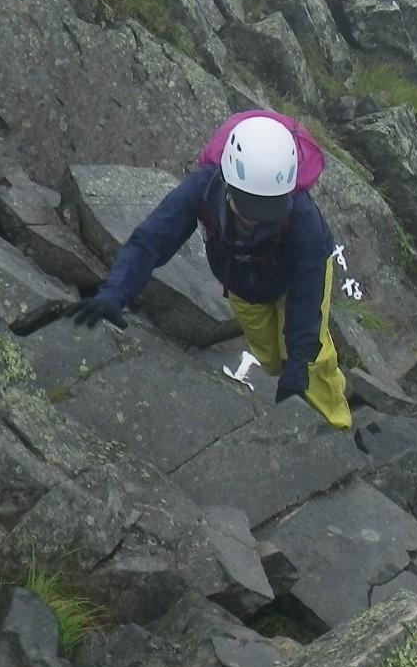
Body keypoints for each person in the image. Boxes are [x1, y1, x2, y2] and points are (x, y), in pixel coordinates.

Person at [71, 111, 352, 429]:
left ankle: (335, 425)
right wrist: (114, 292)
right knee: (271, 359)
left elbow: (307, 294)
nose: (255, 218)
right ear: (228, 182)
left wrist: (300, 361)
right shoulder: (203, 188)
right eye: (248, 205)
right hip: (243, 283)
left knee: (312, 361)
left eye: (266, 207)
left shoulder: (304, 222)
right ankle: (293, 375)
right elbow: (151, 240)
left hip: (295, 280)